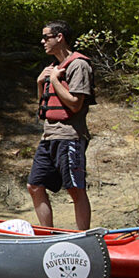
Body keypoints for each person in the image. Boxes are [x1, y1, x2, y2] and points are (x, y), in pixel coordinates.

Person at [30, 20, 95, 229]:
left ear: (60, 37)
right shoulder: (53, 68)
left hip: (70, 136)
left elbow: (75, 104)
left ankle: (83, 235)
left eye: (46, 37)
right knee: (34, 186)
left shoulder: (78, 65)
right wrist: (41, 83)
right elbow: (43, 106)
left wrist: (55, 81)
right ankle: (46, 234)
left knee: (75, 188)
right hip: (48, 136)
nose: (42, 42)